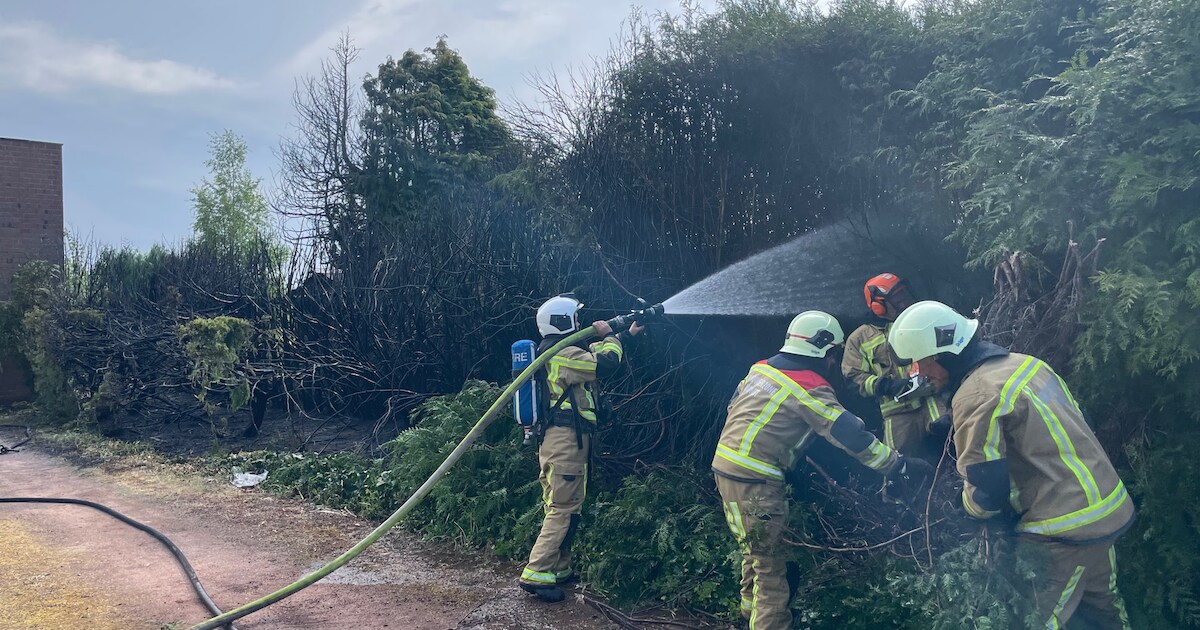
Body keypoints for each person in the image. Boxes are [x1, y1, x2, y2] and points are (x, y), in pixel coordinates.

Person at [888, 301, 1134, 629]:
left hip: (1061, 529)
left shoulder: (975, 394)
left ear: (942, 355)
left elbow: (987, 491)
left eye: (919, 362)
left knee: (1029, 621)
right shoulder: (1027, 365)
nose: (917, 373)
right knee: (1107, 613)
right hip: (1107, 508)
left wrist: (962, 513)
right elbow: (1080, 422)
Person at [712, 311, 932, 629]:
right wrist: (897, 464)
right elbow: (849, 434)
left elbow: (735, 408)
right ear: (825, 351)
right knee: (772, 567)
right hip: (756, 479)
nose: (834, 363)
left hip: (725, 467)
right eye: (835, 354)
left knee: (754, 548)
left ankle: (748, 613)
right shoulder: (809, 386)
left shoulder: (760, 369)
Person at [518, 294, 642, 603]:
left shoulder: (559, 353)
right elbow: (605, 363)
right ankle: (536, 572)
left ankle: (558, 568)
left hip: (562, 442)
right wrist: (610, 335)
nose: (579, 323)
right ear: (563, 322)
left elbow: (592, 356)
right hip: (564, 443)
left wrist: (625, 335)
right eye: (575, 318)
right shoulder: (563, 354)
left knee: (566, 505)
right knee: (563, 507)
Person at [842, 273, 948, 456]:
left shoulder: (921, 319)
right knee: (898, 460)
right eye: (896, 300)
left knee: (955, 436)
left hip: (933, 398)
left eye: (903, 296)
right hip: (897, 412)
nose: (903, 303)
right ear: (878, 306)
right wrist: (886, 386)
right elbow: (852, 378)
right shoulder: (859, 339)